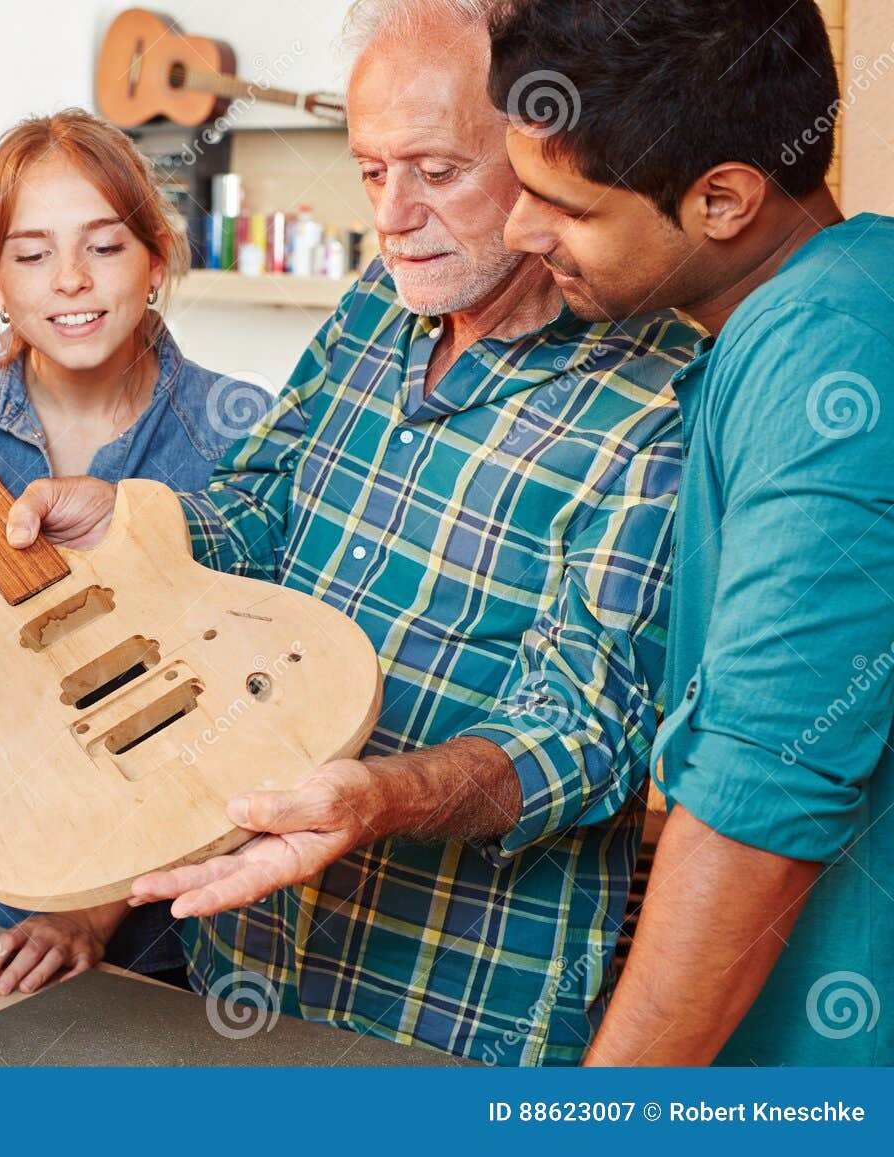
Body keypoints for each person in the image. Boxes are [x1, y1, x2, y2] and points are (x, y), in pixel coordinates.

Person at [0, 0, 703, 1064]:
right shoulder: (377, 304)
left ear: (541, 152)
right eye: (371, 170)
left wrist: (381, 796)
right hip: (242, 954)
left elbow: (588, 731)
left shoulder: (660, 391)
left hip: (445, 997)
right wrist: (124, 521)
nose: (394, 215)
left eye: (437, 171)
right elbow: (262, 504)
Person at [487, 0, 892, 1066]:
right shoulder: (810, 314)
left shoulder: (828, 353)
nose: (517, 232)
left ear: (723, 199)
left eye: (562, 205)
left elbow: (763, 783)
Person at [0, 109, 269, 994]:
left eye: (105, 246)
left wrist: (94, 909)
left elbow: (249, 703)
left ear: (156, 259)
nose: (71, 279)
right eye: (31, 255)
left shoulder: (242, 431)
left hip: (173, 920)